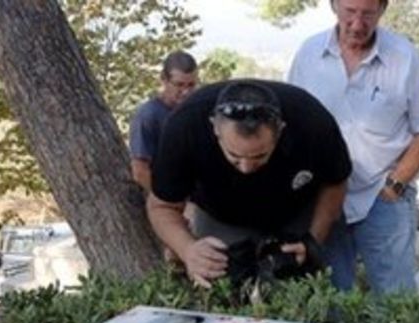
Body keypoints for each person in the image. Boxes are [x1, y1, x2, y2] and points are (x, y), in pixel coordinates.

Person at [288, 0, 419, 294]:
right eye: (350, 12)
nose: (358, 24)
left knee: (395, 300)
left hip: (382, 197)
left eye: (368, 14)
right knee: (328, 298)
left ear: (383, 10)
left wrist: (395, 186)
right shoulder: (308, 54)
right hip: (325, 198)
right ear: (334, 6)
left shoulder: (404, 57)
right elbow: (292, 122)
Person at [147, 79, 351, 288]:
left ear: (280, 130)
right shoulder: (185, 126)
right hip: (221, 213)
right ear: (215, 129)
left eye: (259, 156)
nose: (245, 167)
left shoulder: (311, 121)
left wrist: (312, 242)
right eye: (234, 156)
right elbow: (162, 206)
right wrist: (187, 249)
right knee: (223, 289)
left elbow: (335, 182)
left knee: (322, 291)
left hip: (299, 208)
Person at [129, 51, 199, 191]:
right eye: (179, 85)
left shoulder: (198, 110)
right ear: (164, 80)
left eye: (191, 85)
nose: (185, 92)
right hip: (168, 196)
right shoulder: (148, 116)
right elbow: (140, 171)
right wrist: (166, 200)